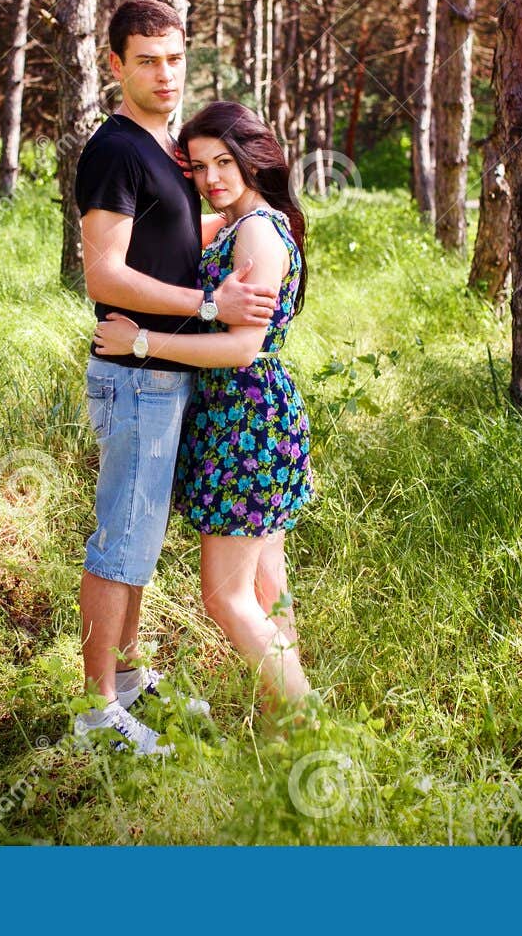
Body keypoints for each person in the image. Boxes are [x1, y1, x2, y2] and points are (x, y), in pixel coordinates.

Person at [72, 0, 279, 755]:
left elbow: (167, 238)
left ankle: (124, 685)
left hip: (164, 371)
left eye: (174, 59)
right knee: (120, 543)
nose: (165, 74)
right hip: (135, 376)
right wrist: (207, 301)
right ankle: (96, 713)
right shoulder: (117, 151)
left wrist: (234, 230)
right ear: (116, 65)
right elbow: (104, 271)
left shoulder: (167, 145)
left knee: (140, 542)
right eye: (147, 60)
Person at [93, 101, 314, 718]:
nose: (212, 178)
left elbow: (243, 347)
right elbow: (167, 243)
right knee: (269, 586)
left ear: (253, 157)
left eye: (225, 161)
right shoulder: (242, 221)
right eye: (198, 166)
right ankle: (283, 724)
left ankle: (315, 731)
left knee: (225, 596)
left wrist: (141, 343)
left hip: (247, 421)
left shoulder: (256, 230)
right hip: (244, 417)